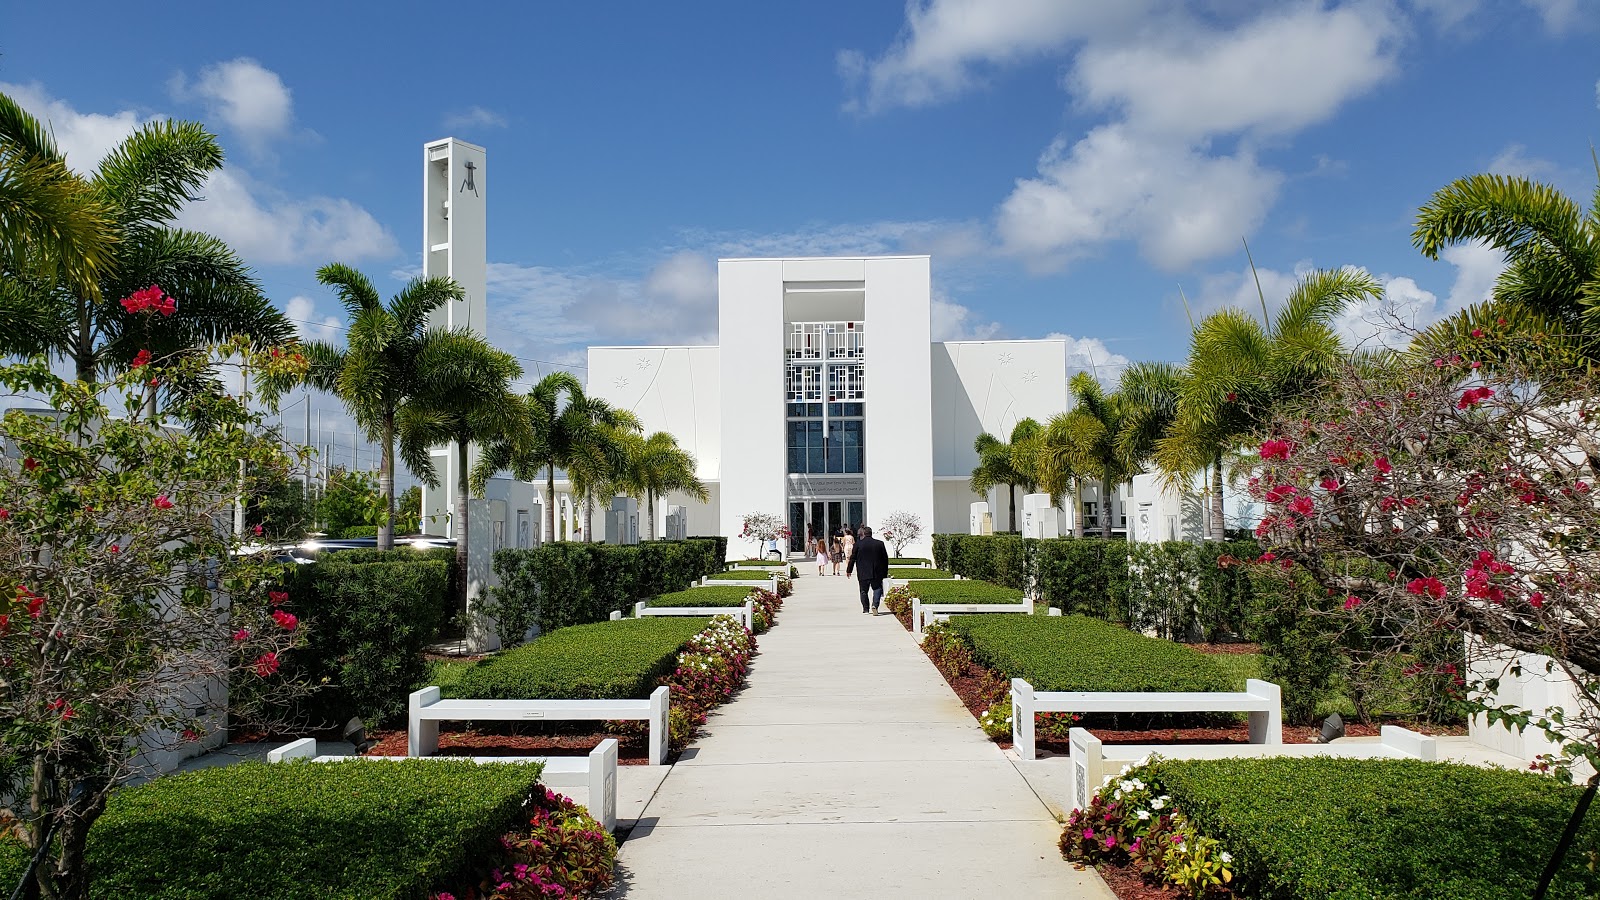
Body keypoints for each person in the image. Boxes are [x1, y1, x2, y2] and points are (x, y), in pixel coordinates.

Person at [846, 525, 890, 614]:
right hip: (876, 572)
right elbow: (885, 559)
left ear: (863, 534)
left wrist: (849, 570)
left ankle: (866, 609)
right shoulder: (879, 544)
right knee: (877, 589)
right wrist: (885, 572)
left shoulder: (858, 544)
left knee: (863, 591)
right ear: (871, 533)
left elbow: (852, 558)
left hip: (863, 571)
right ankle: (875, 605)